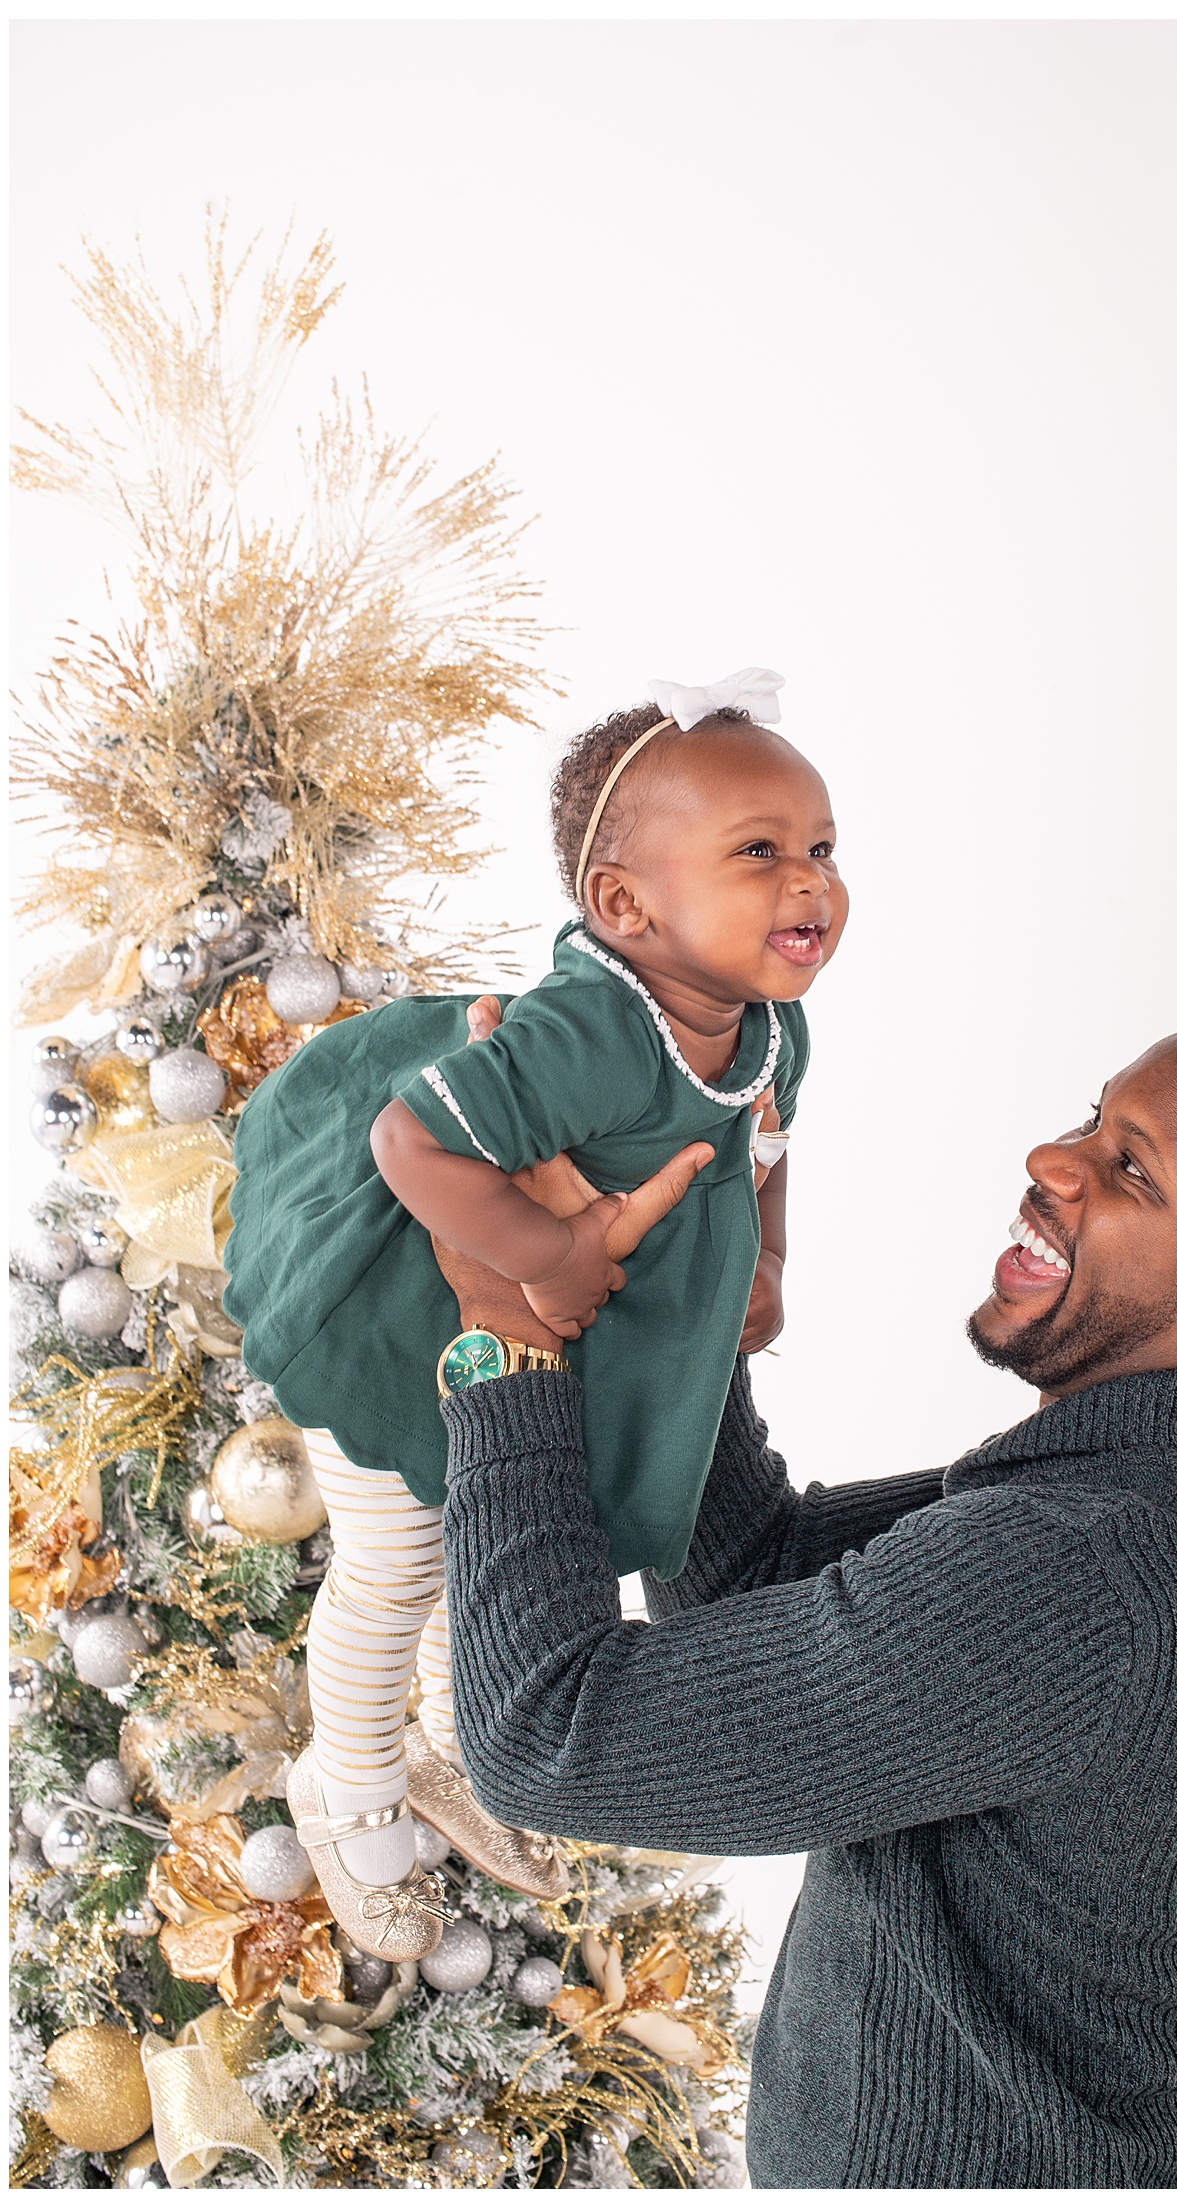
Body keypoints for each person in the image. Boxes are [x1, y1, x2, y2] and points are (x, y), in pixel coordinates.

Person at [430, 1016, 1177, 2188]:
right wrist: (695, 1292)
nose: (1051, 1160)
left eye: (1131, 1170)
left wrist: (503, 1338)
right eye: (1091, 1118)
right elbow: (755, 1577)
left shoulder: (1088, 1570)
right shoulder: (1155, 1499)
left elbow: (546, 1737)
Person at [221, 670, 848, 1959]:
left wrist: (764, 1266)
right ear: (625, 905)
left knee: (496, 1530)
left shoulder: (774, 1029)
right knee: (398, 1556)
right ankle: (342, 1792)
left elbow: (770, 1148)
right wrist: (549, 1256)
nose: (809, 884)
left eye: (823, 850)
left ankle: (458, 1735)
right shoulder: (592, 1034)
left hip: (537, 1346)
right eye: (759, 854)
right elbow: (412, 1140)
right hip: (399, 1306)